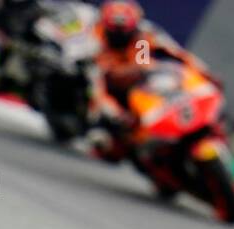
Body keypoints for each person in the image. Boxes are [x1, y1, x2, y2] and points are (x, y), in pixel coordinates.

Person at [83, 0, 220, 160]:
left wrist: (205, 72)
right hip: (114, 90)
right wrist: (115, 114)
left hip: (143, 84)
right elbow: (97, 86)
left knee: (178, 78)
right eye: (115, 32)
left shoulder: (142, 36)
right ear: (105, 26)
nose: (120, 36)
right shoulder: (94, 40)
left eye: (124, 32)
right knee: (104, 143)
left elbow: (176, 53)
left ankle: (201, 125)